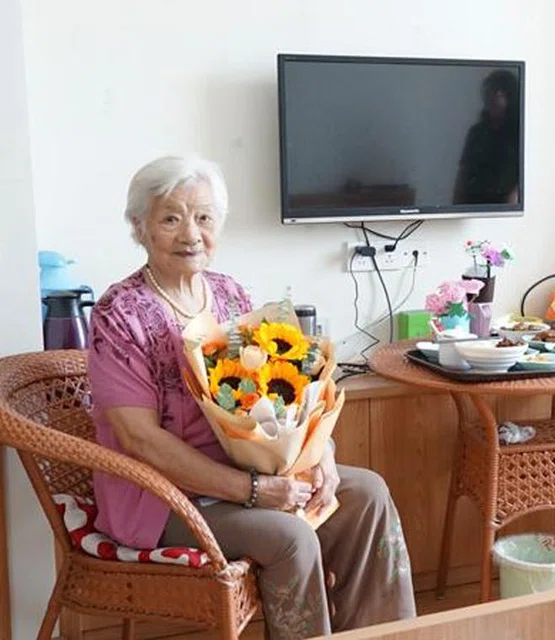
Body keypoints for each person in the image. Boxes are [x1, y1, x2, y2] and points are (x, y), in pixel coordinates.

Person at [88, 155, 416, 638]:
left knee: (366, 494)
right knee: (290, 536)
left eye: (203, 218)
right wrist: (254, 492)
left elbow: (291, 400)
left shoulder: (230, 296)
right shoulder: (119, 315)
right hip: (164, 499)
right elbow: (141, 440)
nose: (191, 234)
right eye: (171, 218)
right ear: (140, 228)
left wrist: (318, 453)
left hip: (252, 470)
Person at [453, 69, 521, 205]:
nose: (493, 99)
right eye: (489, 95)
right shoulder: (477, 133)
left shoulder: (519, 134)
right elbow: (463, 175)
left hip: (505, 209)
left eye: (499, 93)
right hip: (472, 207)